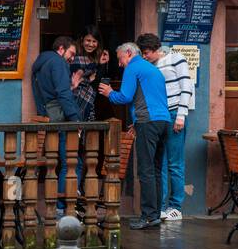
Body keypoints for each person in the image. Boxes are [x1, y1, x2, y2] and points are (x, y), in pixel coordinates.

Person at [99, 42, 170, 230]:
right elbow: (153, 98)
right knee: (155, 169)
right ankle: (154, 214)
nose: (120, 64)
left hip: (148, 122)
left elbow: (125, 97)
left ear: (129, 53)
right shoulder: (152, 68)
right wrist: (137, 122)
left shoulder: (133, 67)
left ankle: (147, 216)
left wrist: (109, 93)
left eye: (121, 59)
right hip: (163, 122)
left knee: (145, 170)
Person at [137, 34, 194, 223]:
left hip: (174, 113)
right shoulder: (149, 67)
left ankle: (176, 207)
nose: (145, 57)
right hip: (158, 116)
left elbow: (187, 86)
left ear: (156, 49)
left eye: (146, 53)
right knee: (159, 164)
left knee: (175, 163)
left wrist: (181, 116)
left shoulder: (176, 58)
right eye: (142, 54)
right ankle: (160, 207)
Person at [31, 36, 80, 216]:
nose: (72, 58)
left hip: (48, 116)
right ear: (61, 48)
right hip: (60, 117)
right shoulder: (58, 63)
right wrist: (75, 118)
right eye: (71, 53)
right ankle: (63, 208)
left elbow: (46, 93)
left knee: (56, 162)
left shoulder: (40, 63)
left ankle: (60, 206)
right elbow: (61, 92)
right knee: (70, 163)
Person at [69, 27, 110, 122]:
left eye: (94, 41)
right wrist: (96, 67)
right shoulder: (74, 57)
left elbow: (97, 84)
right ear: (82, 39)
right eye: (88, 40)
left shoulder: (97, 58)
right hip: (75, 101)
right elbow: (73, 81)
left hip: (92, 103)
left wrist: (102, 65)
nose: (91, 44)